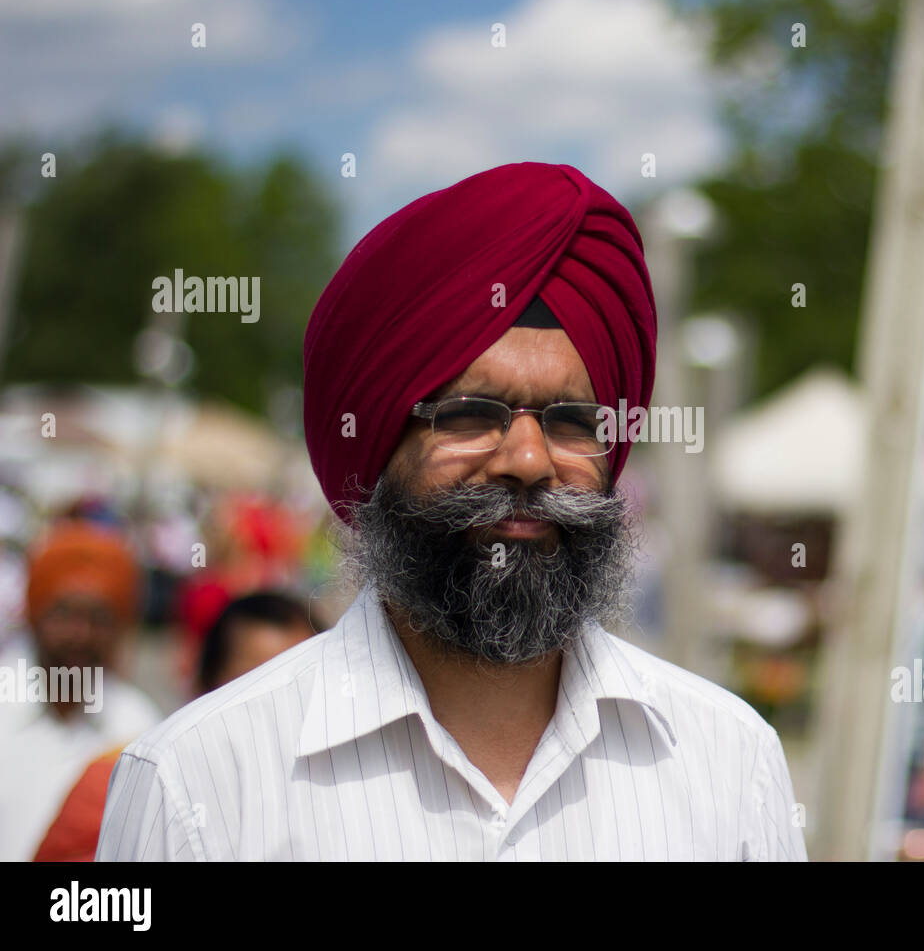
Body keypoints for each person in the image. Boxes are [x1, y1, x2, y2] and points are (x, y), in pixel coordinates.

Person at [97, 162, 807, 861]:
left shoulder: (726, 764)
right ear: (380, 444)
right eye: (471, 413)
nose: (527, 460)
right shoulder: (199, 784)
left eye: (570, 421)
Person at [33, 591, 315, 861]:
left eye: (301, 686)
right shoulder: (124, 781)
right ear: (205, 682)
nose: (281, 706)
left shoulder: (330, 792)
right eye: (257, 686)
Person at [0, 520, 160, 861]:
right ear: (33, 615)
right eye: (64, 614)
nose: (80, 634)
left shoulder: (139, 729)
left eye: (98, 618)